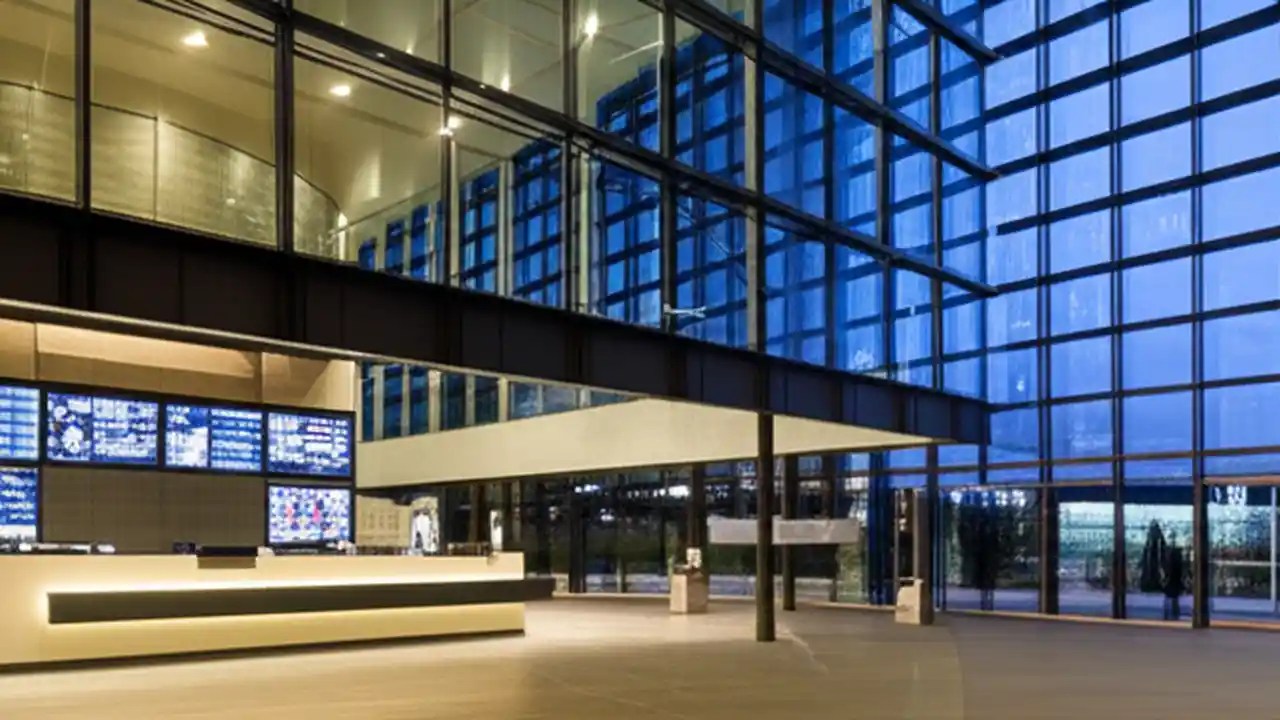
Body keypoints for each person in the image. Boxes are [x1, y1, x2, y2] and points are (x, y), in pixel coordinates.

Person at [1163, 536, 1185, 621]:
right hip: (1175, 580)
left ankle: (1168, 614)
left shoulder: (1168, 559)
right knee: (1175, 598)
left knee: (1169, 598)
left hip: (1171, 580)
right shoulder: (1178, 561)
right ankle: (1174, 613)